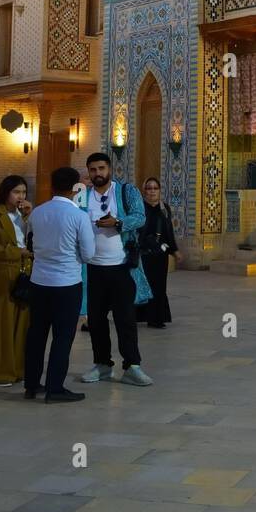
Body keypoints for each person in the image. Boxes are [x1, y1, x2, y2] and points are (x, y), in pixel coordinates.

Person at [75, 152, 153, 387]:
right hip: (93, 268)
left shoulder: (126, 191)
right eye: (93, 170)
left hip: (121, 267)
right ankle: (102, 364)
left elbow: (140, 217)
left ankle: (132, 366)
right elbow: (73, 220)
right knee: (96, 321)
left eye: (101, 168)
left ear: (109, 169)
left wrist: (118, 223)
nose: (97, 173)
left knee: (125, 319)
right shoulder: (82, 196)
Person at [24, 167, 95, 403]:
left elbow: (30, 244)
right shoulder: (79, 216)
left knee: (36, 335)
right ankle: (55, 388)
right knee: (63, 337)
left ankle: (32, 385)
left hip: (39, 282)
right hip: (66, 284)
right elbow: (88, 254)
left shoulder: (38, 213)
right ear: (76, 188)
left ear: (52, 186)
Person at [0, 175, 33, 386]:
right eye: (16, 192)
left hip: (27, 272)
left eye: (24, 192)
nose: (21, 196)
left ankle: (18, 369)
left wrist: (29, 216)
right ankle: (1, 372)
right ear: (6, 192)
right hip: (6, 272)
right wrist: (16, 252)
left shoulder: (25, 215)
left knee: (23, 325)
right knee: (4, 323)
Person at [136, 177, 181, 328]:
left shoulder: (164, 208)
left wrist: (174, 250)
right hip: (144, 254)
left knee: (159, 285)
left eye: (155, 188)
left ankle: (157, 317)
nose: (152, 191)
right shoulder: (140, 208)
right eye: (149, 188)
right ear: (144, 191)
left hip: (160, 254)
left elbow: (169, 231)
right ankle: (143, 316)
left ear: (160, 190)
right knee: (145, 284)